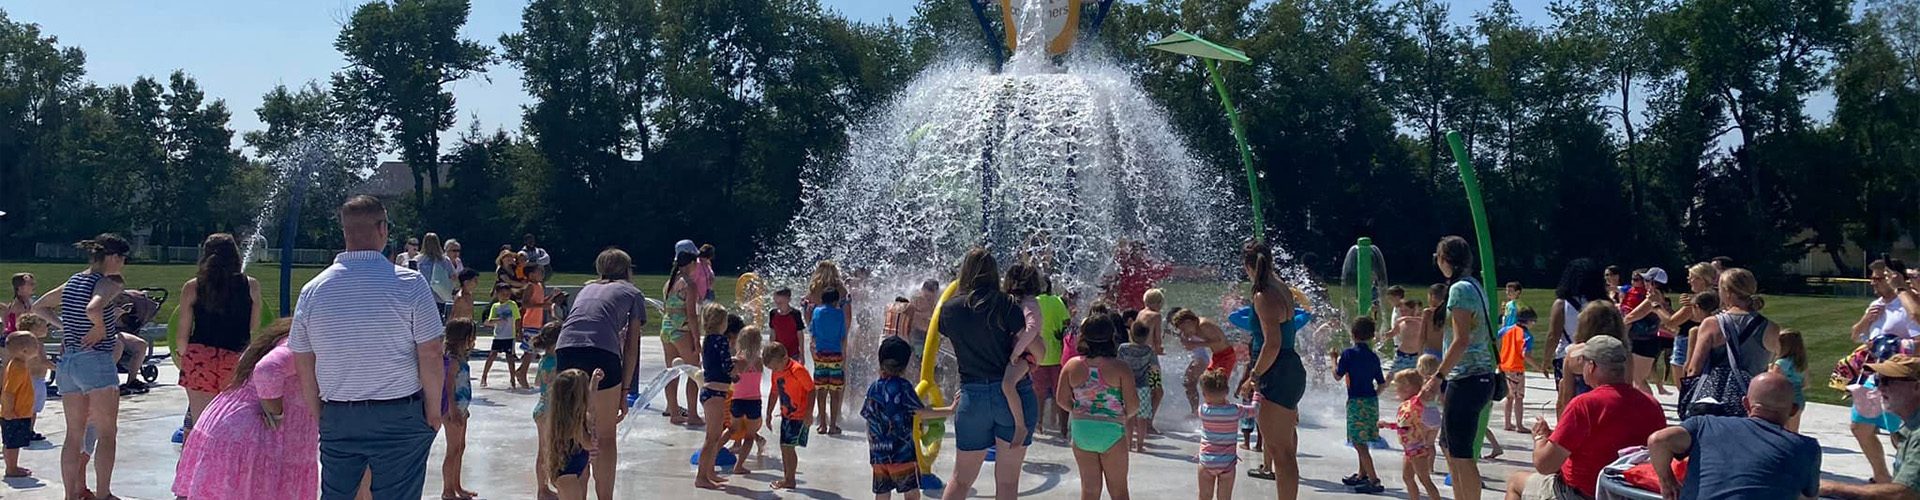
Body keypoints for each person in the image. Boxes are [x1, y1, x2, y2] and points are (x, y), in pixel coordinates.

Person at [286, 198, 443, 500]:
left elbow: (303, 360)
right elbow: (431, 351)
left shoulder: (313, 290)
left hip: (339, 412)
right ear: (383, 229)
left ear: (344, 231)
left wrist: (320, 414)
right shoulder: (410, 283)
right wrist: (434, 410)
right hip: (399, 412)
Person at [171, 319, 319, 500]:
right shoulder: (300, 343)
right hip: (253, 435)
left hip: (228, 423)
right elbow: (267, 370)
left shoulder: (284, 336)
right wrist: (276, 413)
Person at [1503, 336, 1666, 500]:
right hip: (1626, 493)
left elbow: (1545, 465)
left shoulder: (1585, 405)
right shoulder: (1651, 404)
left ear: (1591, 366)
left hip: (1580, 493)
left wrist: (1540, 438)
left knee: (1516, 482)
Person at [30, 234, 130, 499]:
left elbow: (39, 306)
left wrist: (66, 327)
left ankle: (70, 495)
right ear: (113, 257)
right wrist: (99, 327)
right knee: (107, 433)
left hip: (69, 363)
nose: (123, 264)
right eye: (123, 258)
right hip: (95, 360)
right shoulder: (107, 283)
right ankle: (104, 493)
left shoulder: (74, 280)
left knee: (74, 435)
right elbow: (93, 308)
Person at [552, 248, 649, 500]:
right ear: (627, 270)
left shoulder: (587, 288)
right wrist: (625, 390)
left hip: (565, 349)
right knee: (605, 435)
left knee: (575, 430)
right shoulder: (632, 292)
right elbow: (631, 346)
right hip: (601, 352)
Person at [939, 248, 1036, 500]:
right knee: (1007, 483)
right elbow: (1037, 348)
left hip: (972, 397)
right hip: (1012, 394)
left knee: (960, 480)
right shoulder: (1006, 304)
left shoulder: (949, 309)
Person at [1410, 236, 1497, 499]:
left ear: (1444, 259)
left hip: (1468, 377)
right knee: (1449, 446)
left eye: (1437, 257)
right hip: (1476, 377)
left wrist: (1438, 377)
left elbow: (1461, 340)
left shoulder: (1460, 289)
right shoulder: (1474, 285)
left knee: (1461, 453)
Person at [1648, 371, 1820, 500]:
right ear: (1794, 410)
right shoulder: (1806, 448)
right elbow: (1809, 496)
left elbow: (1658, 440)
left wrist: (1667, 481)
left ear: (1746, 403)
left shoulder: (1705, 424)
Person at [173, 233, 263, 443]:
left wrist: (182, 353)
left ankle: (199, 462)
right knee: (231, 421)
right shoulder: (251, 285)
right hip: (235, 356)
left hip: (200, 356)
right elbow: (254, 325)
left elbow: (182, 331)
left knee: (201, 424)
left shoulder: (193, 286)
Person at [1235, 241, 1306, 496]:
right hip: (1289, 367)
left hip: (1275, 371)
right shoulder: (1281, 286)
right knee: (1283, 449)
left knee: (1281, 452)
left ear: (1247, 266)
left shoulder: (1263, 295)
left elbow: (1272, 343)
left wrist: (1253, 376)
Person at [864, 336, 956, 500]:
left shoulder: (874, 388)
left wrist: (873, 447)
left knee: (882, 493)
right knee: (912, 493)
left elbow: (869, 420)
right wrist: (949, 410)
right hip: (902, 453)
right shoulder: (903, 387)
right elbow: (920, 412)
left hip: (879, 452)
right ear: (905, 366)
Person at [1057, 314, 1137, 500]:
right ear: (1111, 336)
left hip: (1082, 430)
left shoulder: (1072, 365)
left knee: (1090, 490)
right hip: (1112, 430)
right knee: (1118, 491)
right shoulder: (1120, 368)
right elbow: (1133, 405)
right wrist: (1121, 415)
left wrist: (1077, 409)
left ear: (1083, 336)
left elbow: (1061, 399)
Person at [1847, 259, 1913, 484]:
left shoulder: (1907, 304)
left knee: (1900, 433)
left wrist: (1892, 346)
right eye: (1871, 277)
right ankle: (1882, 476)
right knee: (1859, 426)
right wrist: (1866, 320)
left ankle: (1906, 480)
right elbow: (1855, 335)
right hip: (1874, 374)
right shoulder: (1876, 305)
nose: (1872, 282)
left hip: (1899, 376)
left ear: (1893, 278)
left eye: (1878, 278)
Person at [1821, 348, 1920, 499]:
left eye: (1887, 381)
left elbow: (1905, 493)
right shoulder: (1908, 427)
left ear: (1917, 387)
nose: (1880, 388)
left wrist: (1831, 488)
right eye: (1878, 380)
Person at [1683, 269, 1780, 404]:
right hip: (1753, 401)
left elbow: (1694, 369)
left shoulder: (1712, 324)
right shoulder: (1771, 327)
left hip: (1714, 401)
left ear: (1727, 292)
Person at [1334, 318, 1386, 494]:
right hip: (1371, 402)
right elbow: (1382, 383)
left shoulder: (1348, 354)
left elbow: (1337, 376)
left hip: (1356, 402)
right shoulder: (1373, 357)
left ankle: (1374, 480)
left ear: (1353, 334)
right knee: (1363, 439)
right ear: (1371, 336)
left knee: (1358, 442)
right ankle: (1362, 474)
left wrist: (1333, 359)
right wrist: (1373, 395)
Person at [1002, 263, 1046, 448]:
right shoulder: (1022, 302)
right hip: (1024, 353)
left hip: (1026, 355)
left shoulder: (1029, 304)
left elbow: (1032, 329)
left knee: (1008, 384)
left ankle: (1021, 426)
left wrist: (1016, 351)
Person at [1663, 263, 1719, 401]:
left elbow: (1671, 322)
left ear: (1702, 279)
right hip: (1707, 342)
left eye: (1692, 277)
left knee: (1684, 390)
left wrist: (1657, 305)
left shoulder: (1696, 302)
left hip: (1687, 342)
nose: (1689, 280)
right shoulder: (1716, 298)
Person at [1195, 368, 1254, 500]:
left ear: (1204, 394)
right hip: (1227, 463)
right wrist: (1257, 395)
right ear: (1227, 391)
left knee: (1204, 496)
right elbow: (1254, 410)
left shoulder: (1203, 410)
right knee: (1225, 498)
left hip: (1207, 461)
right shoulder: (1235, 410)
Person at [694, 304, 736, 489]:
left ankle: (709, 472)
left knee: (715, 436)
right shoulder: (721, 340)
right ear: (722, 322)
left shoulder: (708, 339)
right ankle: (701, 477)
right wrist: (737, 369)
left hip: (711, 392)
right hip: (715, 394)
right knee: (712, 438)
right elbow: (727, 365)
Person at [544, 368, 601, 500]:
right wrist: (593, 434)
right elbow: (588, 444)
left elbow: (590, 406)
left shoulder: (564, 420)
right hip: (569, 476)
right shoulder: (575, 426)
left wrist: (594, 384)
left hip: (568, 473)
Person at [1384, 369, 1441, 500]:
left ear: (1408, 387)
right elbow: (1403, 426)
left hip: (1418, 449)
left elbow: (1423, 392)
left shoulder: (1416, 402)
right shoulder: (1404, 405)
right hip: (1409, 449)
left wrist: (1431, 381)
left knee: (1424, 479)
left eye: (1399, 386)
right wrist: (1388, 425)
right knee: (1407, 477)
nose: (1396, 390)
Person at [660, 248, 702, 426]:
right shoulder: (689, 284)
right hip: (682, 330)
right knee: (694, 372)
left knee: (672, 372)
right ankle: (692, 414)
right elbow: (691, 314)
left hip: (666, 328)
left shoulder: (669, 282)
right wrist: (697, 339)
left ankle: (674, 412)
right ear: (691, 263)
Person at [766, 343, 814, 490]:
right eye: (771, 369)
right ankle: (787, 478)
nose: (774, 371)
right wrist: (768, 413)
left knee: (788, 447)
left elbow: (811, 390)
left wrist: (809, 413)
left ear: (784, 358)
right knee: (784, 446)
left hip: (799, 415)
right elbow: (774, 392)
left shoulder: (797, 370)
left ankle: (790, 480)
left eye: (775, 367)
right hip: (787, 415)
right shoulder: (776, 372)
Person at [440, 319, 478, 500]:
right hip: (452, 410)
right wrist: (452, 409)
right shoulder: (453, 360)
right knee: (453, 450)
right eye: (472, 336)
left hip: (462, 408)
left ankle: (457, 486)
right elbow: (448, 387)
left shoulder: (461, 358)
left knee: (460, 447)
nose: (474, 340)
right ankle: (447, 490)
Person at [4, 331, 48, 478]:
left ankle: (12, 465)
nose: (38, 347)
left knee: (12, 442)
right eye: (35, 345)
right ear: (25, 351)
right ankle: (11, 468)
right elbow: (9, 392)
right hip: (15, 413)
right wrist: (9, 410)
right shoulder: (18, 368)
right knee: (12, 443)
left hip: (20, 412)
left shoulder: (20, 365)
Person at [1623, 267, 1674, 396]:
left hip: (1642, 343)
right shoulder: (1659, 297)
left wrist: (1617, 327)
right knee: (1638, 380)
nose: (1643, 283)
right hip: (1648, 341)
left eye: (1646, 280)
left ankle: (1652, 405)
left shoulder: (1652, 299)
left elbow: (1631, 317)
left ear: (1653, 283)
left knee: (1639, 381)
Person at [529, 322, 562, 500]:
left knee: (544, 450)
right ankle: (544, 489)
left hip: (542, 407)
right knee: (548, 451)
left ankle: (544, 487)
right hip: (549, 411)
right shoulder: (555, 362)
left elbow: (537, 382)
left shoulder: (544, 360)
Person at [729, 326, 768, 475]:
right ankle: (739, 465)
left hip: (738, 399)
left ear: (740, 341)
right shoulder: (759, 362)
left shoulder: (736, 361)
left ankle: (715, 452)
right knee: (749, 434)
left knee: (732, 428)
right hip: (754, 401)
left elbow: (732, 377)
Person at [812, 287, 849, 435]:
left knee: (821, 390)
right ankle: (833, 425)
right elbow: (842, 335)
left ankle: (822, 424)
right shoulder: (839, 314)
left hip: (820, 354)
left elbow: (813, 332)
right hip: (835, 355)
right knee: (835, 392)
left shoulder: (816, 312)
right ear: (835, 301)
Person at [1118, 322, 1159, 453]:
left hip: (1127, 386)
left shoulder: (1123, 348)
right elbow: (1155, 368)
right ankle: (1140, 446)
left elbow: (1118, 364)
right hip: (1144, 387)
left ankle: (1128, 444)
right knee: (1142, 419)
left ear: (1130, 334)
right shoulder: (1149, 350)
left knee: (1129, 416)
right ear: (1146, 337)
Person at [1036, 287, 1071, 436]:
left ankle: (1039, 424)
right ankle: (1063, 428)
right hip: (1058, 356)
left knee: (1039, 394)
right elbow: (1067, 324)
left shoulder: (1034, 302)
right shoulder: (1058, 302)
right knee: (1061, 393)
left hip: (1038, 356)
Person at [481, 283, 525, 389]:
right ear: (497, 294)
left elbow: (517, 318)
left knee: (510, 357)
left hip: (509, 335)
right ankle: (484, 376)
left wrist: (518, 332)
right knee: (492, 355)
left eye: (507, 294)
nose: (505, 296)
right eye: (503, 294)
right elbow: (490, 320)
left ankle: (512, 378)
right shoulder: (495, 306)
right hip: (498, 335)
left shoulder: (512, 305)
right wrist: (498, 320)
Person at [1500, 308, 1537, 431]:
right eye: (1533, 322)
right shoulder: (1527, 336)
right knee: (1519, 398)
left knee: (1509, 397)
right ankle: (1519, 425)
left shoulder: (1506, 329)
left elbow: (1495, 337)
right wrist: (1538, 367)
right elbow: (1526, 355)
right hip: (1516, 369)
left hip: (1504, 366)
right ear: (1528, 321)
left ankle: (1507, 423)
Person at [1138, 289, 1168, 428]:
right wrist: (1161, 350)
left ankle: (1138, 421)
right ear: (1158, 303)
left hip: (1136, 355)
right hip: (1150, 358)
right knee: (1157, 391)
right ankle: (1148, 423)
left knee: (1141, 389)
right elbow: (1157, 342)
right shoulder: (1156, 316)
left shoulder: (1140, 313)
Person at [1771, 329, 1808, 433]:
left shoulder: (1781, 363)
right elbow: (1805, 383)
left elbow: (1773, 383)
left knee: (1782, 431)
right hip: (1798, 398)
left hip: (1784, 399)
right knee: (1794, 431)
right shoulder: (1801, 363)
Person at [417, 233, 457, 321]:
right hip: (440, 296)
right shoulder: (444, 260)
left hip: (423, 297)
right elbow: (453, 276)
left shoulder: (419, 260)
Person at [768, 288, 807, 363]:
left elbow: (800, 335)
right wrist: (770, 351)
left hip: (793, 352)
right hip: (778, 353)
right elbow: (772, 333)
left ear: (788, 300)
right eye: (776, 302)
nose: (778, 305)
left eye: (781, 302)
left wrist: (802, 354)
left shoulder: (795, 314)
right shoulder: (773, 313)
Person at [1387, 298, 1425, 374]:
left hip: (1416, 356)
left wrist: (1410, 318)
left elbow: (1425, 322)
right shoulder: (1400, 322)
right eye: (1401, 311)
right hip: (1401, 354)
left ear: (1413, 310)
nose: (1403, 313)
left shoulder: (1420, 322)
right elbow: (1392, 333)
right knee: (1390, 376)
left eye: (1406, 310)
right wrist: (1384, 335)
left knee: (1415, 377)